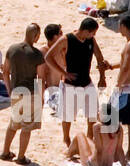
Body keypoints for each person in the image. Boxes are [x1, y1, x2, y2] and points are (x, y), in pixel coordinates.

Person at [46, 17, 109, 146]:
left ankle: (90, 137)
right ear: (86, 30)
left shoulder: (90, 39)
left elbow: (99, 57)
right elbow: (48, 57)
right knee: (67, 115)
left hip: (87, 81)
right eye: (93, 33)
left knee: (92, 113)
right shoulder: (67, 39)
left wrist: (102, 77)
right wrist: (64, 73)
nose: (93, 35)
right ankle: (66, 139)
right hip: (70, 84)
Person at [0, 23, 46, 164]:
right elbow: (41, 78)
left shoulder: (12, 49)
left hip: (16, 91)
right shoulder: (37, 54)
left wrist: (9, 89)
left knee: (13, 125)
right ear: (36, 36)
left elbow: (5, 72)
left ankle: (5, 152)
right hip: (30, 93)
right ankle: (20, 157)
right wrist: (41, 97)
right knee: (26, 127)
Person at [106, 16, 130, 161]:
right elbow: (127, 63)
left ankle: (116, 152)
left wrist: (118, 84)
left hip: (126, 88)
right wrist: (111, 66)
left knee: (110, 118)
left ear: (123, 26)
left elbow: (126, 67)